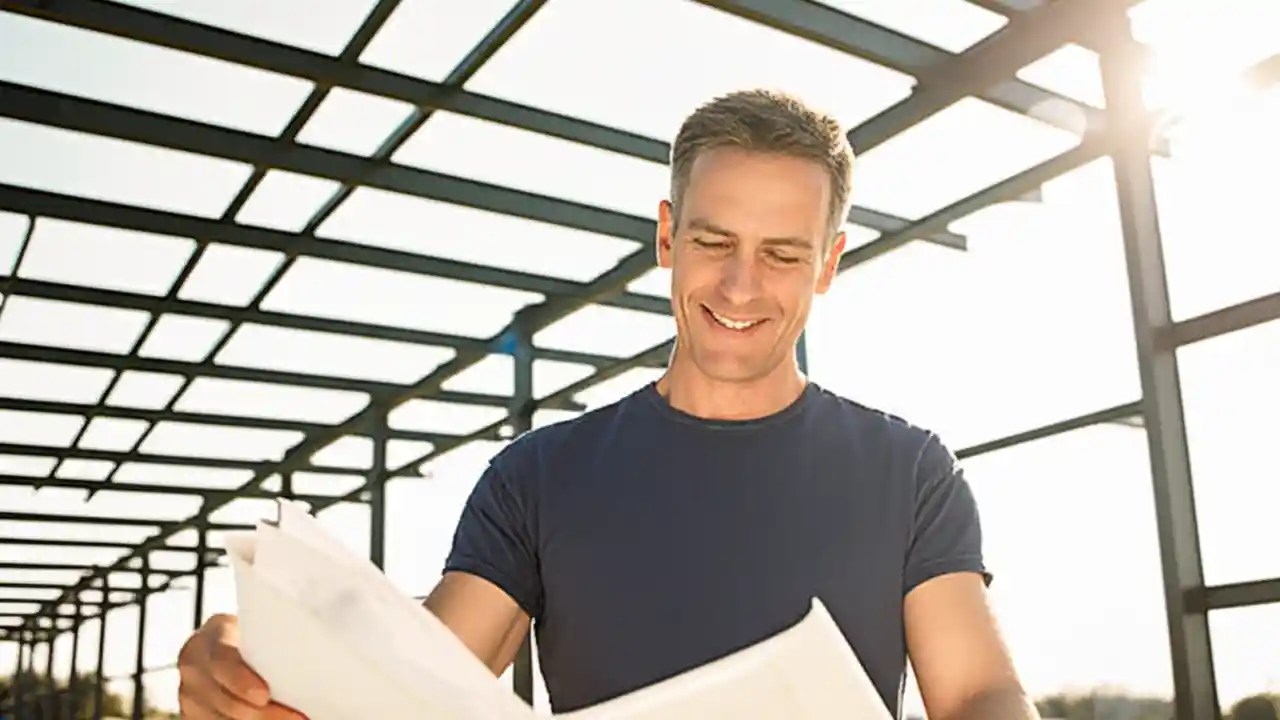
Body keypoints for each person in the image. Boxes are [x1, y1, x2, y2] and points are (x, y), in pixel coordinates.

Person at [177, 89, 1038, 720]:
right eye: (712, 242)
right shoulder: (539, 476)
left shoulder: (909, 470)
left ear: (829, 263)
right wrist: (266, 670)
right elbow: (412, 682)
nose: (741, 285)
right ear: (666, 236)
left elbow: (977, 694)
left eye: (782, 253)